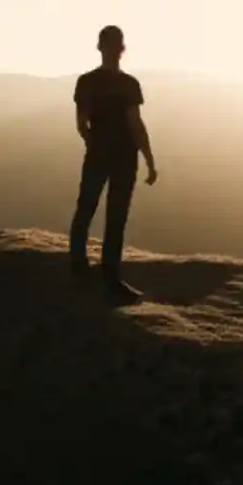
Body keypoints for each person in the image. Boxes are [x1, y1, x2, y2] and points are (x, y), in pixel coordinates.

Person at [68, 25, 158, 303]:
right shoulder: (129, 84)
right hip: (124, 156)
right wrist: (149, 159)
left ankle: (77, 267)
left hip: (98, 153)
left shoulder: (86, 81)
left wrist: (92, 142)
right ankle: (110, 278)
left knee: (86, 207)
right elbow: (135, 124)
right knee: (116, 217)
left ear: (99, 47)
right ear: (122, 49)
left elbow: (81, 123)